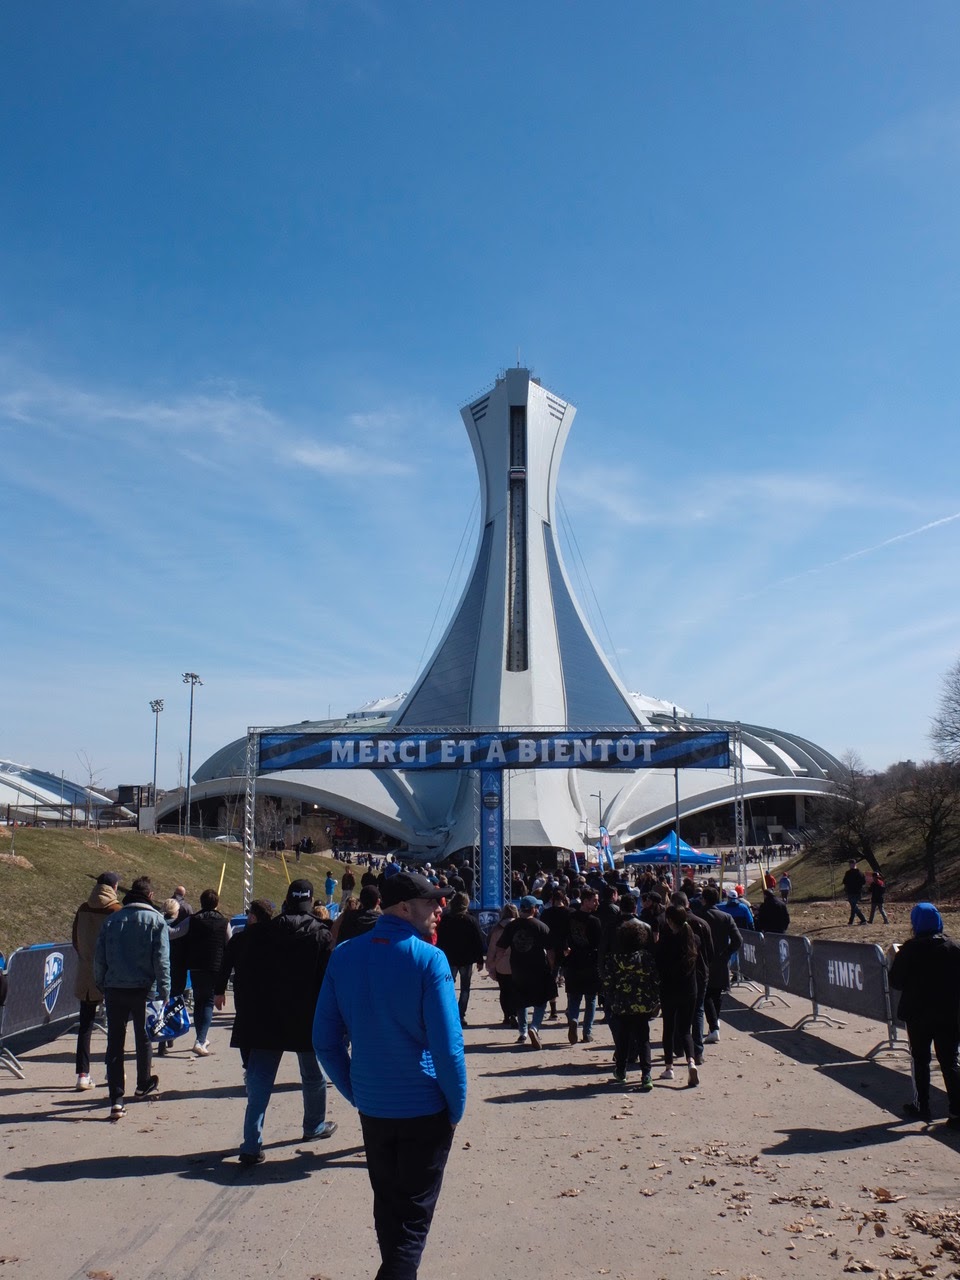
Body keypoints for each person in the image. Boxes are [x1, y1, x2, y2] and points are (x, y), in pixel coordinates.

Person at [313, 871, 466, 1280]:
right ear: (403, 908)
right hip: (424, 1106)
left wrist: (356, 1091)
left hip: (375, 1107)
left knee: (389, 1208)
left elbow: (324, 1041)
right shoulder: (428, 959)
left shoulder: (344, 954)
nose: (439, 909)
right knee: (413, 1220)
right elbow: (448, 1047)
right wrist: (456, 1105)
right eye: (432, 902)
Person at [231, 879, 336, 1166]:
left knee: (260, 1081)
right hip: (307, 1016)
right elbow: (329, 981)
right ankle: (313, 1125)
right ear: (311, 902)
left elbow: (243, 964)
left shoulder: (262, 932)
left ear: (287, 900)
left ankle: (251, 1143)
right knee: (313, 1075)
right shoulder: (321, 934)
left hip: (267, 1016)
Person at [94, 875, 170, 1121]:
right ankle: (142, 1082)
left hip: (115, 987)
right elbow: (162, 961)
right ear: (150, 896)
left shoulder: (112, 920)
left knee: (115, 1043)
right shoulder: (156, 920)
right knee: (144, 1037)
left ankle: (116, 1100)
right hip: (144, 988)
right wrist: (165, 991)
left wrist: (101, 982)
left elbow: (99, 956)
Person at [888, 903, 960, 1127]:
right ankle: (957, 1111)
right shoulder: (954, 947)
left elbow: (896, 982)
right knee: (950, 1062)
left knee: (920, 1060)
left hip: (918, 1015)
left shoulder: (909, 950)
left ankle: (923, 1106)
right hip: (949, 1013)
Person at [601, 899, 660, 1089]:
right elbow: (655, 978)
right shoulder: (647, 958)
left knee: (623, 1036)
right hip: (642, 1001)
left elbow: (608, 978)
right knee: (644, 1038)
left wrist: (608, 994)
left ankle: (621, 1070)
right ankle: (646, 1074)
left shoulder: (615, 958)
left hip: (621, 1001)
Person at [72, 872, 122, 1090]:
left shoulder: (83, 909)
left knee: (85, 1025)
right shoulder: (116, 911)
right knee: (115, 1026)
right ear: (114, 887)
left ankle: (83, 1073)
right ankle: (113, 1073)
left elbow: (76, 940)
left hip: (86, 971)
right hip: (110, 974)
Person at [214, 898, 274, 1071]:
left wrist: (219, 991)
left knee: (245, 1029)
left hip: (245, 991)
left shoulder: (240, 939)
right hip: (269, 992)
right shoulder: (277, 938)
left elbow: (225, 966)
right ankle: (261, 1068)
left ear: (253, 917)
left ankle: (249, 1065)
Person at [494, 895, 557, 1049]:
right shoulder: (541, 926)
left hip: (517, 968)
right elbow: (550, 952)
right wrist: (552, 966)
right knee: (541, 1001)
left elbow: (500, 948)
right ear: (534, 909)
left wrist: (495, 965)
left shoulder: (511, 926)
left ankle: (522, 1032)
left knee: (520, 1001)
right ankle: (534, 1027)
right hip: (538, 969)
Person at [655, 903, 700, 1087]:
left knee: (669, 1028)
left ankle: (669, 1067)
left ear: (670, 920)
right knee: (686, 1029)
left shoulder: (665, 941)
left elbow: (659, 966)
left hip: (669, 989)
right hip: (690, 989)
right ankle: (691, 1062)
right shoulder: (693, 939)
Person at [183, 888, 231, 1056]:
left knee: (199, 1001)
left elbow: (177, 933)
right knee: (208, 1002)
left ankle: (200, 1036)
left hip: (196, 965)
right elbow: (230, 943)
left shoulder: (193, 920)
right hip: (215, 965)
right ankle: (201, 1039)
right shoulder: (224, 922)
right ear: (216, 904)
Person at [694, 885, 742, 1045]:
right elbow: (738, 940)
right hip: (721, 962)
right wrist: (727, 953)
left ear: (704, 899)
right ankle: (714, 1024)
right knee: (716, 994)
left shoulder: (698, 916)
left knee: (705, 994)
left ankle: (714, 1027)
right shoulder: (726, 917)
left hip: (702, 961)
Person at [435, 893, 485, 1025]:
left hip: (449, 957)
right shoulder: (470, 920)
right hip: (466, 958)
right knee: (465, 988)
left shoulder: (445, 919)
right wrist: (480, 959)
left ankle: (448, 1012)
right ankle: (461, 1014)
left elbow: (439, 939)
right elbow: (478, 940)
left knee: (447, 986)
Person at [563, 888, 603, 1044]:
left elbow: (564, 936)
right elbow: (599, 944)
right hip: (589, 963)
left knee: (574, 997)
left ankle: (573, 1018)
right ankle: (587, 1032)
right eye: (594, 900)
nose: (597, 902)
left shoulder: (570, 917)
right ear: (585, 901)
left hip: (573, 961)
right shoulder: (594, 921)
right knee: (591, 999)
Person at [485, 903, 519, 1026]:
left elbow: (492, 949)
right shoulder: (520, 926)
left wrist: (490, 964)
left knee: (504, 991)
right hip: (517, 963)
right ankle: (515, 1013)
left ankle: (507, 1015)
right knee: (516, 990)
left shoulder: (497, 929)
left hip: (501, 964)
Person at [843, 860, 867, 926]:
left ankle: (863, 919)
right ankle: (851, 921)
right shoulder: (848, 873)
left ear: (856, 864)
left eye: (853, 863)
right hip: (850, 891)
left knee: (854, 906)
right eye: (851, 864)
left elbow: (864, 882)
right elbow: (845, 882)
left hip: (857, 892)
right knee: (853, 906)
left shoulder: (860, 873)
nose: (852, 865)